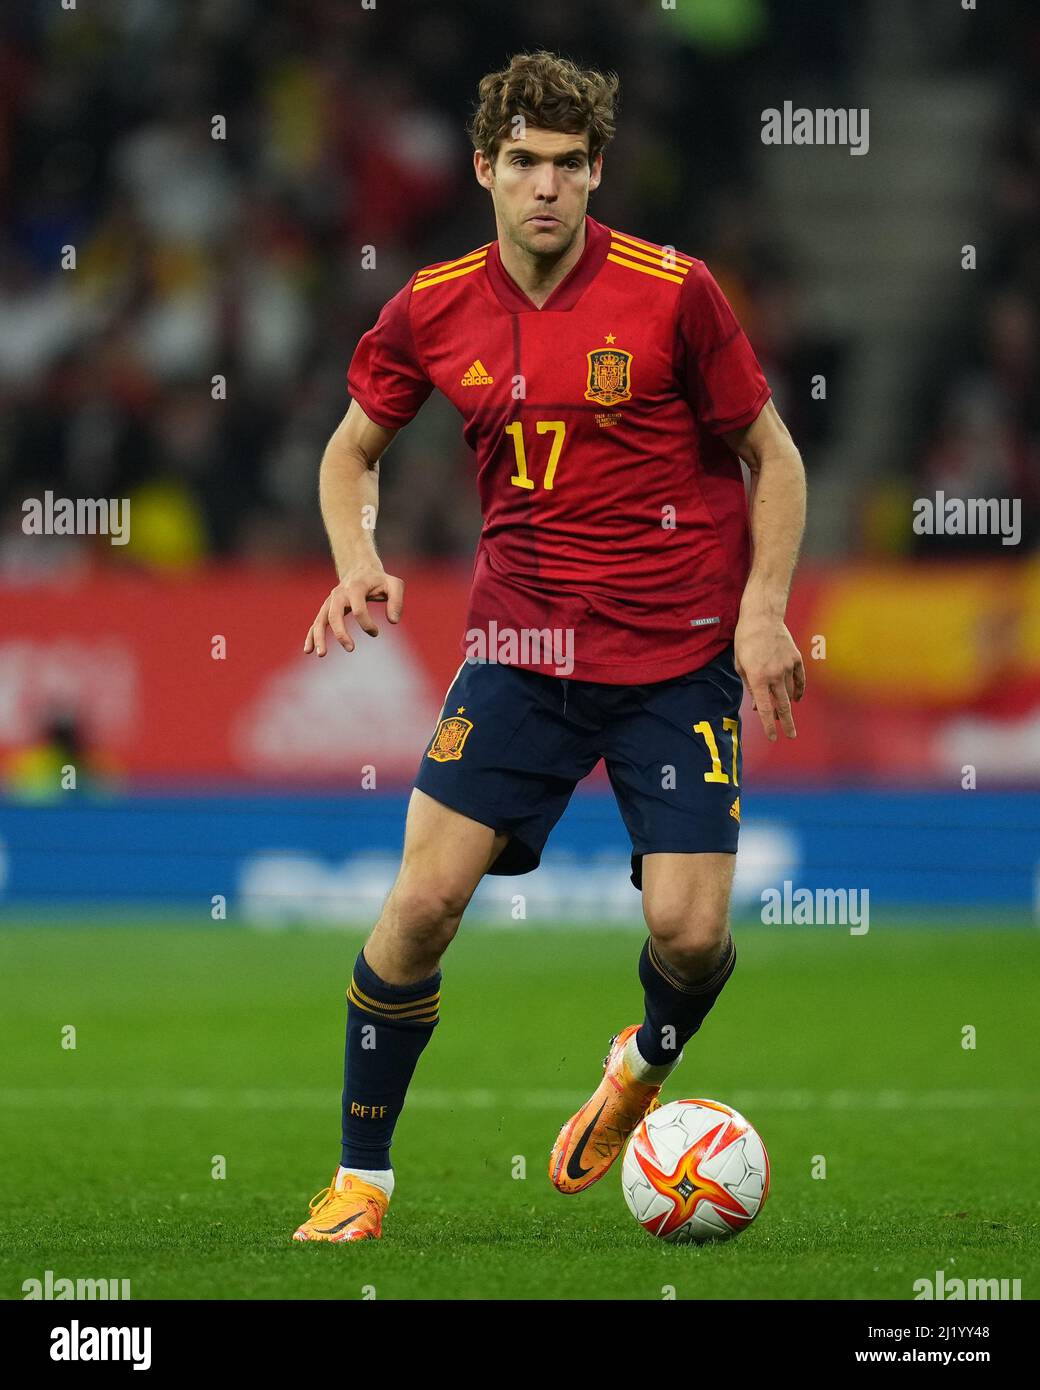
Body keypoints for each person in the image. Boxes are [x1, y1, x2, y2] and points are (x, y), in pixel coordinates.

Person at [293, 50, 806, 1242]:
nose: (544, 188)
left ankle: (641, 1063)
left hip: (674, 655)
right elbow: (345, 453)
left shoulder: (674, 293)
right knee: (419, 902)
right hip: (518, 652)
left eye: (568, 166)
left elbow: (769, 456)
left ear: (595, 173)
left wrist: (762, 609)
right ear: (482, 168)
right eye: (521, 163)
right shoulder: (429, 307)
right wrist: (354, 559)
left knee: (688, 933)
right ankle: (361, 1182)